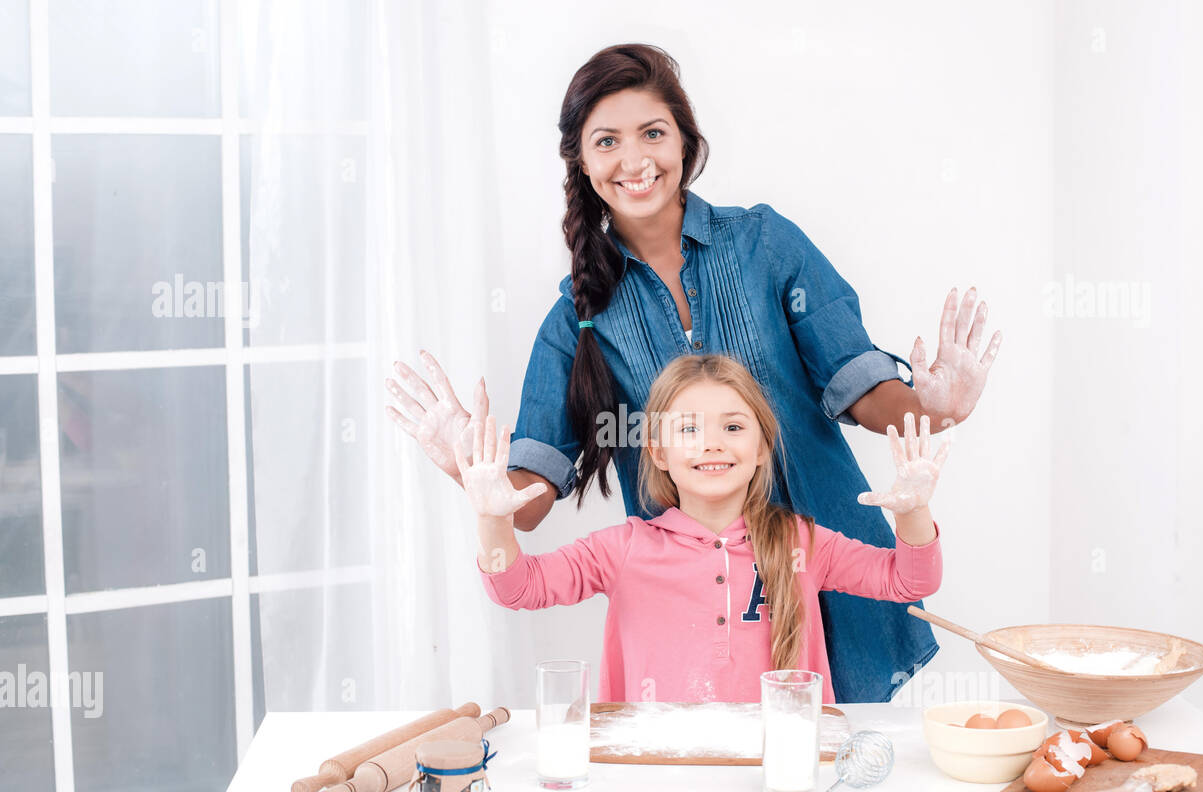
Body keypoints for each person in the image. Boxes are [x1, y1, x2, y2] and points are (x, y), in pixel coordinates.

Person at [384, 43, 999, 701]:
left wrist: (932, 411)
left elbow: (856, 380)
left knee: (822, 759)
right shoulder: (578, 316)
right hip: (687, 593)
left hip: (825, 558)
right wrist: (473, 474)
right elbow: (528, 500)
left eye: (653, 133)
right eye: (607, 141)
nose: (635, 159)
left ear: (685, 140)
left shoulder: (766, 243)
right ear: (582, 162)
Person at [458, 354, 946, 704]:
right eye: (689, 429)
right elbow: (518, 588)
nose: (712, 443)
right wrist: (492, 520)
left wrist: (912, 512)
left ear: (761, 448)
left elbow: (910, 582)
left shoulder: (801, 541)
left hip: (780, 770)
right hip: (658, 776)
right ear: (659, 452)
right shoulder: (623, 549)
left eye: (733, 427)